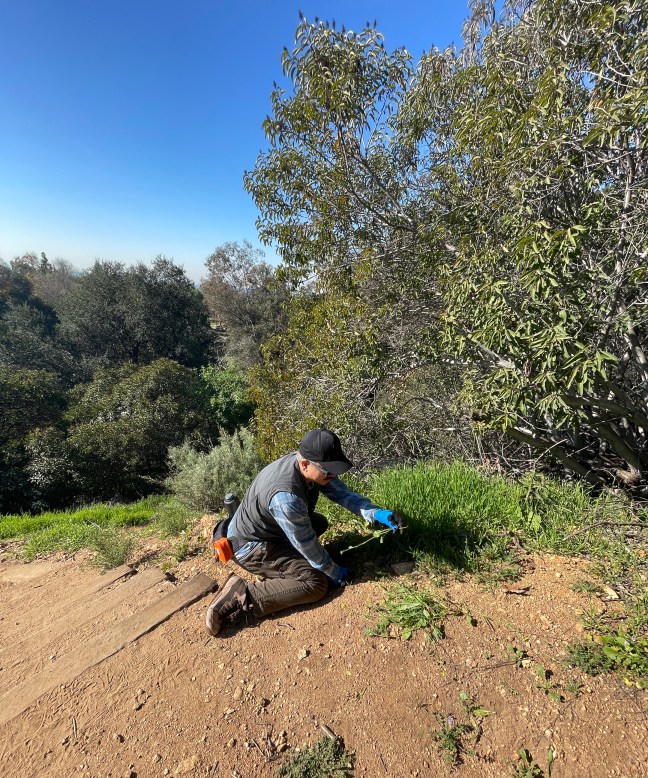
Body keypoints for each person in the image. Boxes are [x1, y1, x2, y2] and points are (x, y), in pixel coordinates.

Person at [205, 428, 403, 636]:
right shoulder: (285, 497)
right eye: (328, 471)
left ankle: (290, 561)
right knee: (316, 583)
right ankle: (241, 593)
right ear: (306, 464)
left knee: (319, 523)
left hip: (263, 531)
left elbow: (342, 494)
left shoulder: (305, 464)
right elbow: (306, 542)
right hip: (249, 547)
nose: (333, 475)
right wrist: (334, 572)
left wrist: (376, 513)